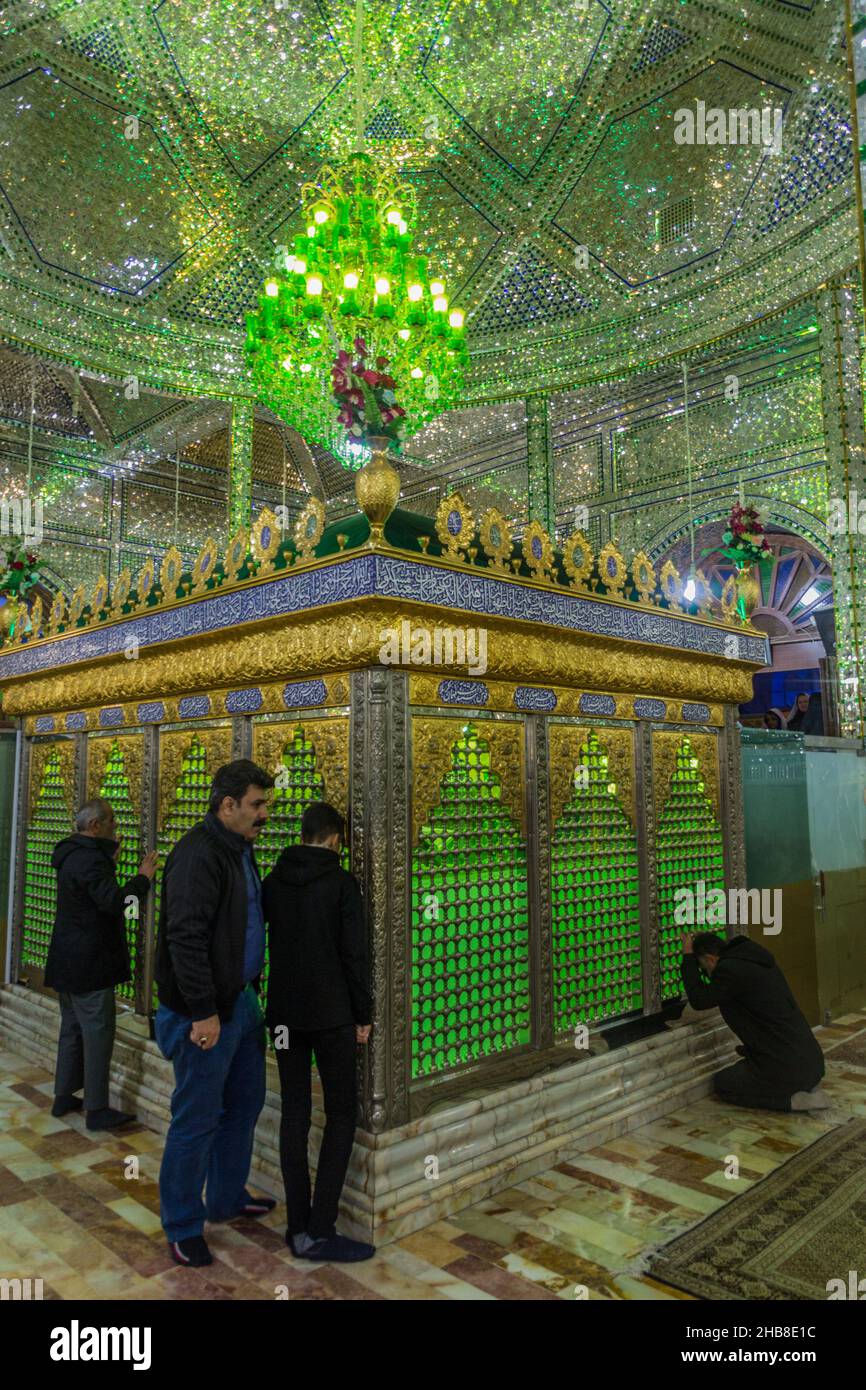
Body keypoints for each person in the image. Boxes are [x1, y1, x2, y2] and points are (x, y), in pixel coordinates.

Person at [154, 759, 276, 1268]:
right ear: (227, 805)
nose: (264, 815)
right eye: (257, 805)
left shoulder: (237, 847)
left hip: (240, 1002)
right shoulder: (198, 855)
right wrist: (204, 1012)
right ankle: (182, 1224)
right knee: (197, 1118)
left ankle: (225, 1198)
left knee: (245, 1103)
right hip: (203, 1013)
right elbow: (185, 938)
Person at [263, 801, 374, 1263]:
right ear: (334, 838)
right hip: (331, 1018)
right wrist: (362, 1015)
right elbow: (354, 956)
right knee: (341, 1114)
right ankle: (321, 1228)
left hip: (285, 1018)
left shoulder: (273, 881)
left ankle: (297, 1226)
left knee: (295, 1112)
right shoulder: (341, 884)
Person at [45, 798, 157, 1130]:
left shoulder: (71, 854)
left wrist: (108, 859)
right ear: (95, 826)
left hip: (66, 960)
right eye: (112, 824)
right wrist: (142, 879)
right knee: (97, 1034)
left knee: (72, 1029)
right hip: (89, 964)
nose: (116, 830)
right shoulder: (92, 862)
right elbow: (116, 904)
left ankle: (63, 1096)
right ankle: (97, 1109)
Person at [680, 931, 828, 1112]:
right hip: (811, 1061)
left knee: (724, 1083)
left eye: (704, 970)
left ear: (710, 959)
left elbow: (699, 999)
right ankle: (802, 1085)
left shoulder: (730, 970)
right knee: (743, 1070)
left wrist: (687, 957)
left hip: (788, 1066)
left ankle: (790, 1102)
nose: (708, 975)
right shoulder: (754, 959)